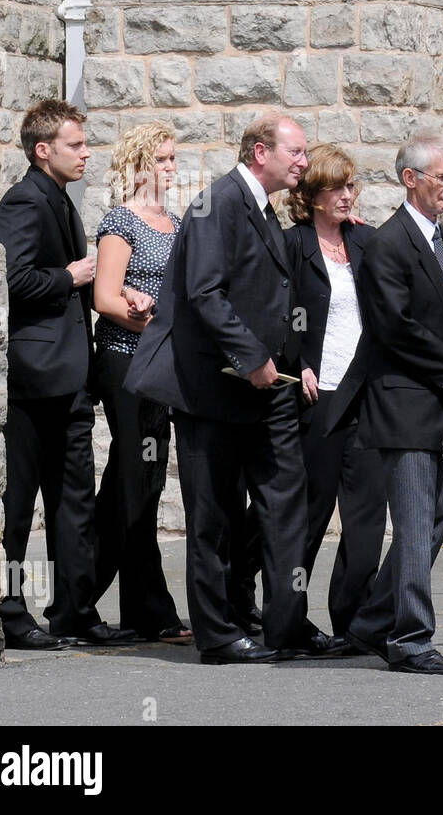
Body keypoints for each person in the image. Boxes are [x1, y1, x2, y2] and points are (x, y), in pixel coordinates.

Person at [126, 113, 337, 664]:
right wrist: (251, 358)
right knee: (214, 515)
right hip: (214, 393)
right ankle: (218, 635)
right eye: (296, 151)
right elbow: (204, 292)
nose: (304, 162)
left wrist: (289, 362)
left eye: (306, 153)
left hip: (270, 393)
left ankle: (284, 625)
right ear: (260, 152)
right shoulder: (216, 202)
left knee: (286, 504)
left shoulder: (263, 207)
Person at [330, 133, 443, 674]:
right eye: (440, 177)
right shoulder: (388, 244)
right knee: (416, 523)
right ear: (410, 179)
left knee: (437, 518)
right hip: (405, 407)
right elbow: (395, 328)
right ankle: (411, 639)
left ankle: (374, 620)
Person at [0, 98, 135, 649]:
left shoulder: (60, 199)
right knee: (19, 506)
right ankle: (11, 611)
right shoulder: (25, 201)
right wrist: (70, 276)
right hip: (33, 381)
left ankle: (75, 609)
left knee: (74, 501)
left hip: (72, 381)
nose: (87, 154)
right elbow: (11, 280)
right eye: (76, 144)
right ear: (43, 149)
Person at [90, 121, 191, 644]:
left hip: (160, 365)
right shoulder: (120, 221)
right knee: (135, 476)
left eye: (174, 159)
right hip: (125, 360)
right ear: (138, 165)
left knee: (140, 480)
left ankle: (84, 595)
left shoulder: (174, 223)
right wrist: (152, 323)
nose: (171, 168)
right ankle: (150, 610)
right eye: (162, 159)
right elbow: (104, 299)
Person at [283, 144, 386, 641]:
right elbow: (276, 315)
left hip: (365, 395)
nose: (348, 196)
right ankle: (287, 619)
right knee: (307, 517)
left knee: (366, 526)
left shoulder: (368, 242)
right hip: (316, 397)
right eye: (337, 188)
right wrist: (295, 361)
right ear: (314, 195)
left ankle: (356, 622)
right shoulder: (292, 245)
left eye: (351, 186)